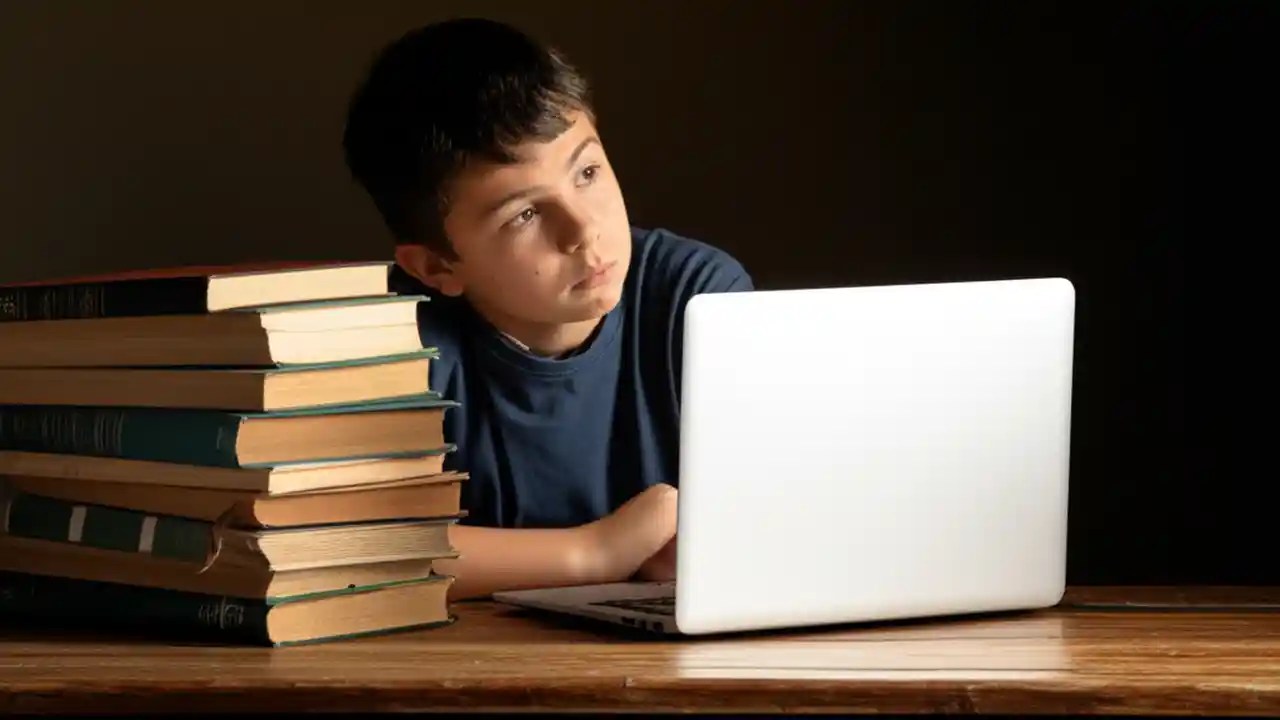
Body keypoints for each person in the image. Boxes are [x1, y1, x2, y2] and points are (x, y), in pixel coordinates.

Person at [342, 17, 753, 600]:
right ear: (437, 267)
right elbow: (350, 549)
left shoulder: (698, 299)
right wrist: (595, 552)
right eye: (525, 215)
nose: (585, 231)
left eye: (587, 172)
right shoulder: (397, 347)